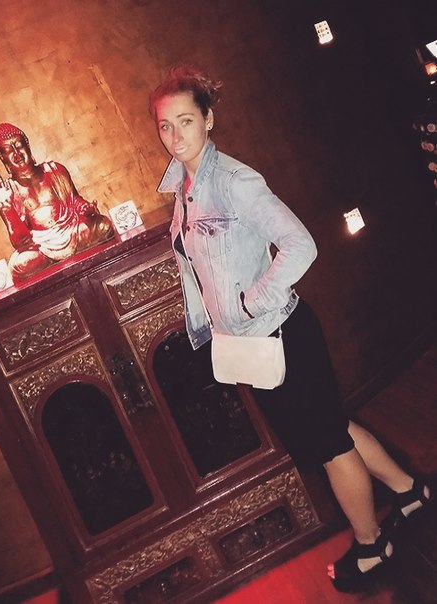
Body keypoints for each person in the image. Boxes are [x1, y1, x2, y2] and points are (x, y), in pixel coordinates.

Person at [149, 66, 434, 593]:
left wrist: (248, 302)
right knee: (332, 427)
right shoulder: (184, 190)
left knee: (327, 445)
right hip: (253, 342)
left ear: (208, 119)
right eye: (165, 125)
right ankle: (411, 492)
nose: (175, 135)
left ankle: (372, 545)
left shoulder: (234, 181)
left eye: (185, 120)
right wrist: (215, 325)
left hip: (281, 332)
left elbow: (301, 245)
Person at [0, 123, 114, 282]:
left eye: (19, 146)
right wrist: (6, 209)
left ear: (28, 147)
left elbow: (74, 200)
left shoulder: (55, 169)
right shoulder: (9, 191)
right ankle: (51, 259)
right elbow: (21, 242)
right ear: (3, 158)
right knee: (20, 264)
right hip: (42, 245)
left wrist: (85, 208)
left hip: (72, 230)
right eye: (9, 150)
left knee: (103, 225)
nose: (16, 153)